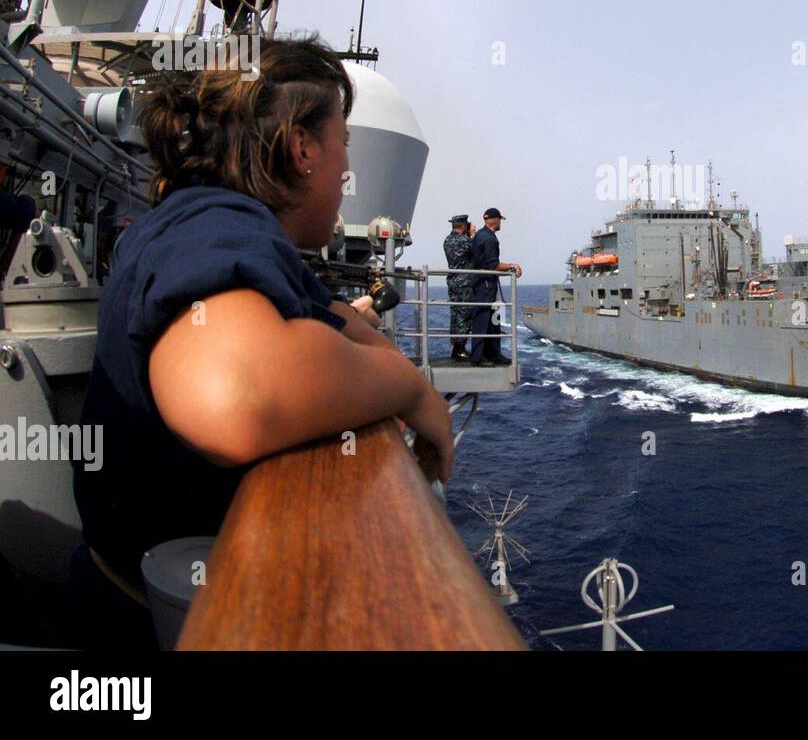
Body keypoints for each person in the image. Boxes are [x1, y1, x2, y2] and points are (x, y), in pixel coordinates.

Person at [69, 35, 454, 649]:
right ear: (302, 148)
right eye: (342, 146)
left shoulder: (233, 228)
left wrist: (393, 375)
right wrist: (412, 390)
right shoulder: (214, 227)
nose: (347, 170)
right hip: (141, 628)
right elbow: (237, 397)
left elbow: (337, 318)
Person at [468, 207, 521, 366]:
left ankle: (493, 354)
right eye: (500, 220)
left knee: (492, 320)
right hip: (486, 284)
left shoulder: (479, 235)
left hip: (481, 283)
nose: (501, 223)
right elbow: (493, 264)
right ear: (495, 220)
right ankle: (478, 357)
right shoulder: (490, 239)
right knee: (484, 320)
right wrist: (513, 266)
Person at [442, 215, 476, 361]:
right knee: (465, 314)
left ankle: (455, 347)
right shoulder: (464, 241)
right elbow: (476, 252)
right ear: (463, 226)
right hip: (464, 283)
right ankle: (460, 349)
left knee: (455, 314)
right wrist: (473, 235)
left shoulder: (447, 240)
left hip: (453, 281)